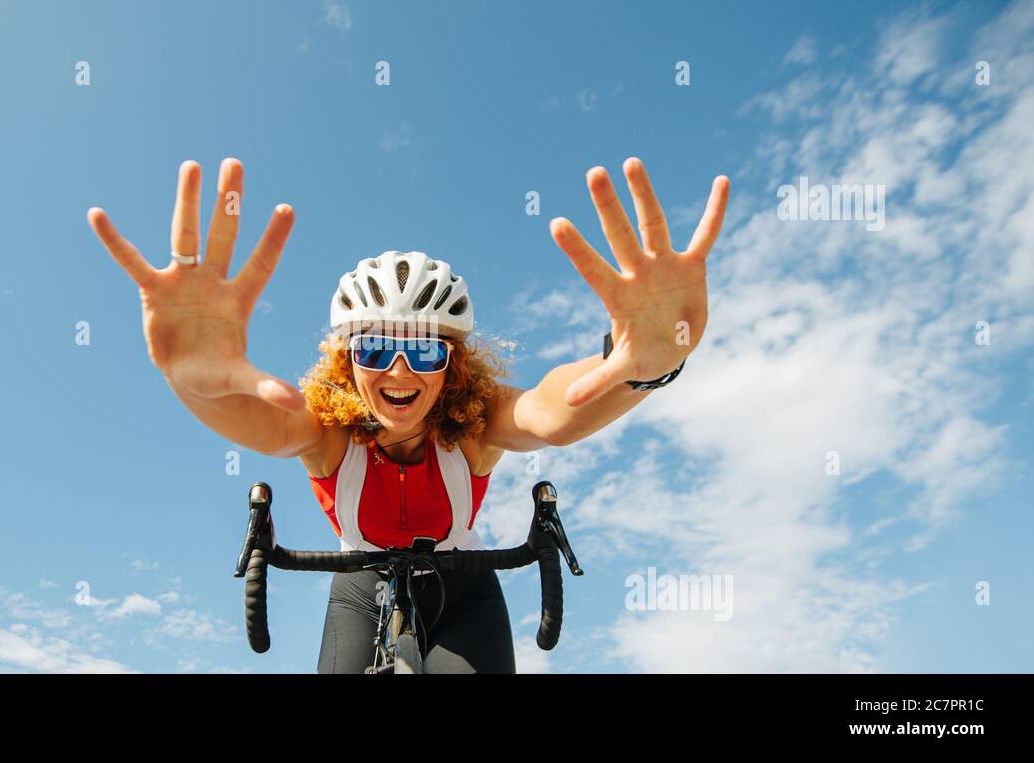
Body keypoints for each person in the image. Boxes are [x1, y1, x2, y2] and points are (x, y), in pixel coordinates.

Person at [87, 157, 730, 673]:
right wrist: (191, 381)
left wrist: (640, 360)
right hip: (358, 589)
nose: (399, 371)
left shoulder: (474, 432)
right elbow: (261, 424)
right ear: (347, 362)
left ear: (452, 364)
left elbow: (551, 411)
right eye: (375, 347)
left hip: (466, 590)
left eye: (423, 349)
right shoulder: (330, 436)